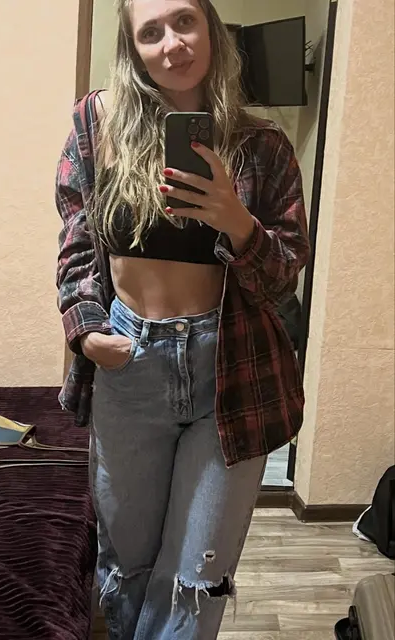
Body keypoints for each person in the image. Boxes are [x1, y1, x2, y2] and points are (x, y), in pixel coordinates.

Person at [55, 0, 310, 638]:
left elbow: (283, 278)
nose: (172, 43)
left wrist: (238, 223)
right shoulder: (97, 125)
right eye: (151, 32)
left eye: (185, 21)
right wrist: (86, 329)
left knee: (197, 576)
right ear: (133, 49)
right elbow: (77, 242)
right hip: (129, 362)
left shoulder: (263, 146)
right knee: (127, 564)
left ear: (210, 27)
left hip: (230, 369)